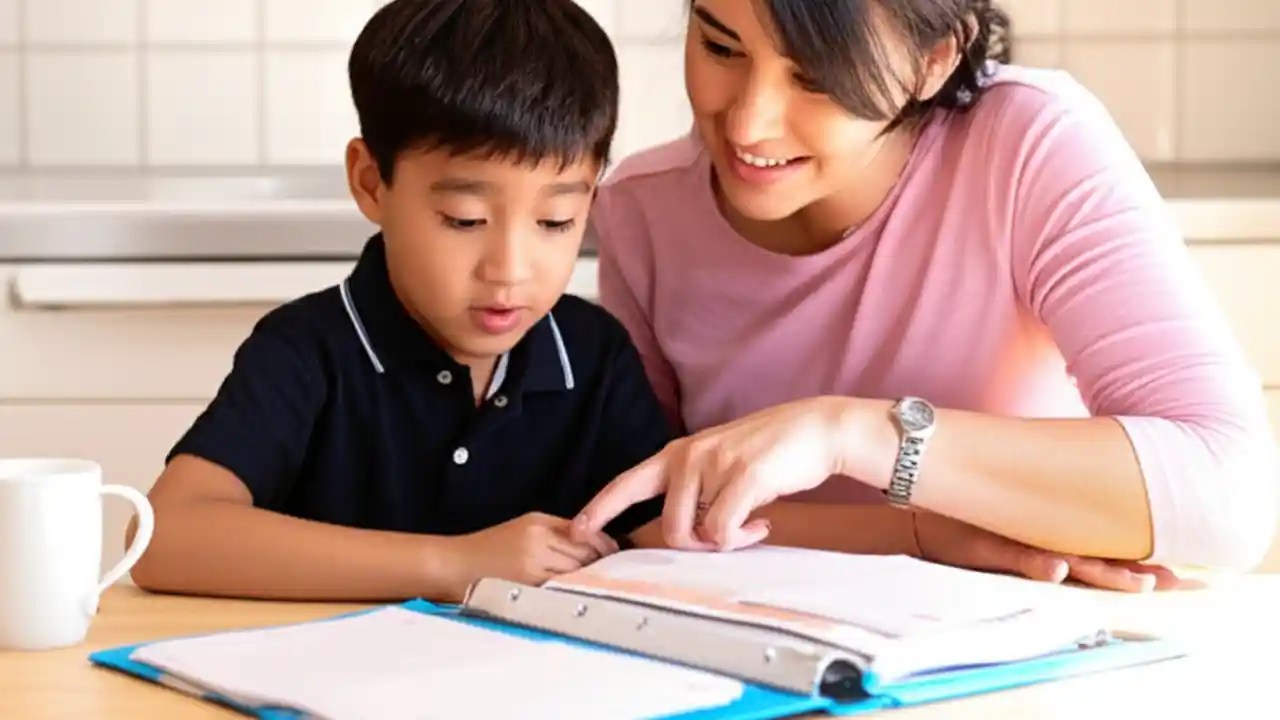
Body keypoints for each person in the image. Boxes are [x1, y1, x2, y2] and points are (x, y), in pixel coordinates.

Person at [571, 0, 1278, 592]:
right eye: (721, 46)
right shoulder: (645, 210)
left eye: (816, 76)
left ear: (934, 59)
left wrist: (850, 434)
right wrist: (918, 534)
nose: (748, 122)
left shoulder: (1028, 147)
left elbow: (1231, 495)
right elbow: (647, 509)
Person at [126, 0, 670, 603]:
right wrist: (453, 563)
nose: (510, 270)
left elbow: (672, 536)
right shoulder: (309, 351)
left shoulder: (593, 357)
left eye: (555, 220)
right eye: (464, 220)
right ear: (370, 182)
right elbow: (161, 539)